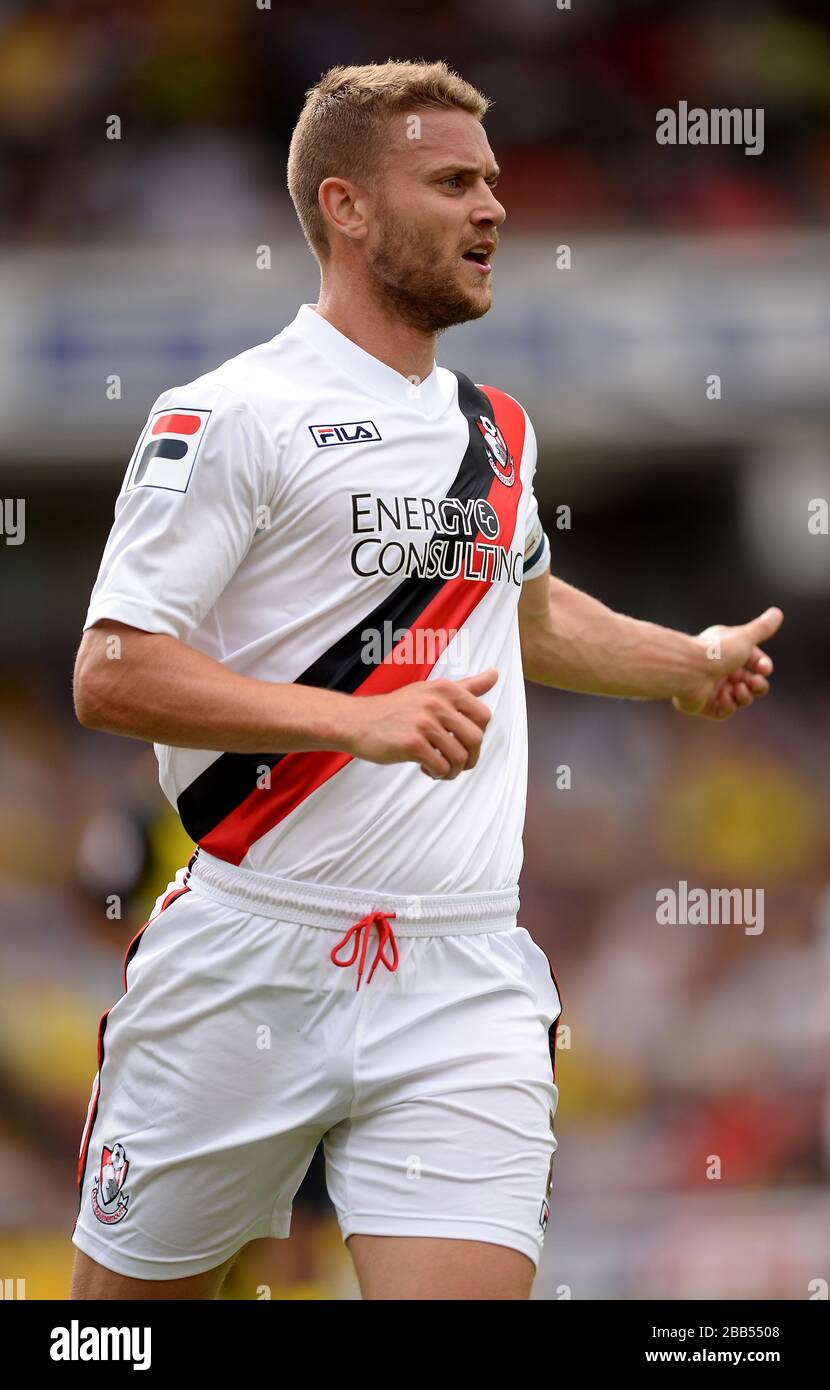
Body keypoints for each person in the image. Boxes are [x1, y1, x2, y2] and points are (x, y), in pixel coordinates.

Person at [69, 60, 782, 1301]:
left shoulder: (497, 431)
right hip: (250, 948)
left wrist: (686, 661)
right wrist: (357, 718)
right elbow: (113, 671)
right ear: (344, 206)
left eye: (492, 182)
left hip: (460, 973)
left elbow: (532, 614)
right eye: (450, 182)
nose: (491, 208)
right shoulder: (229, 411)